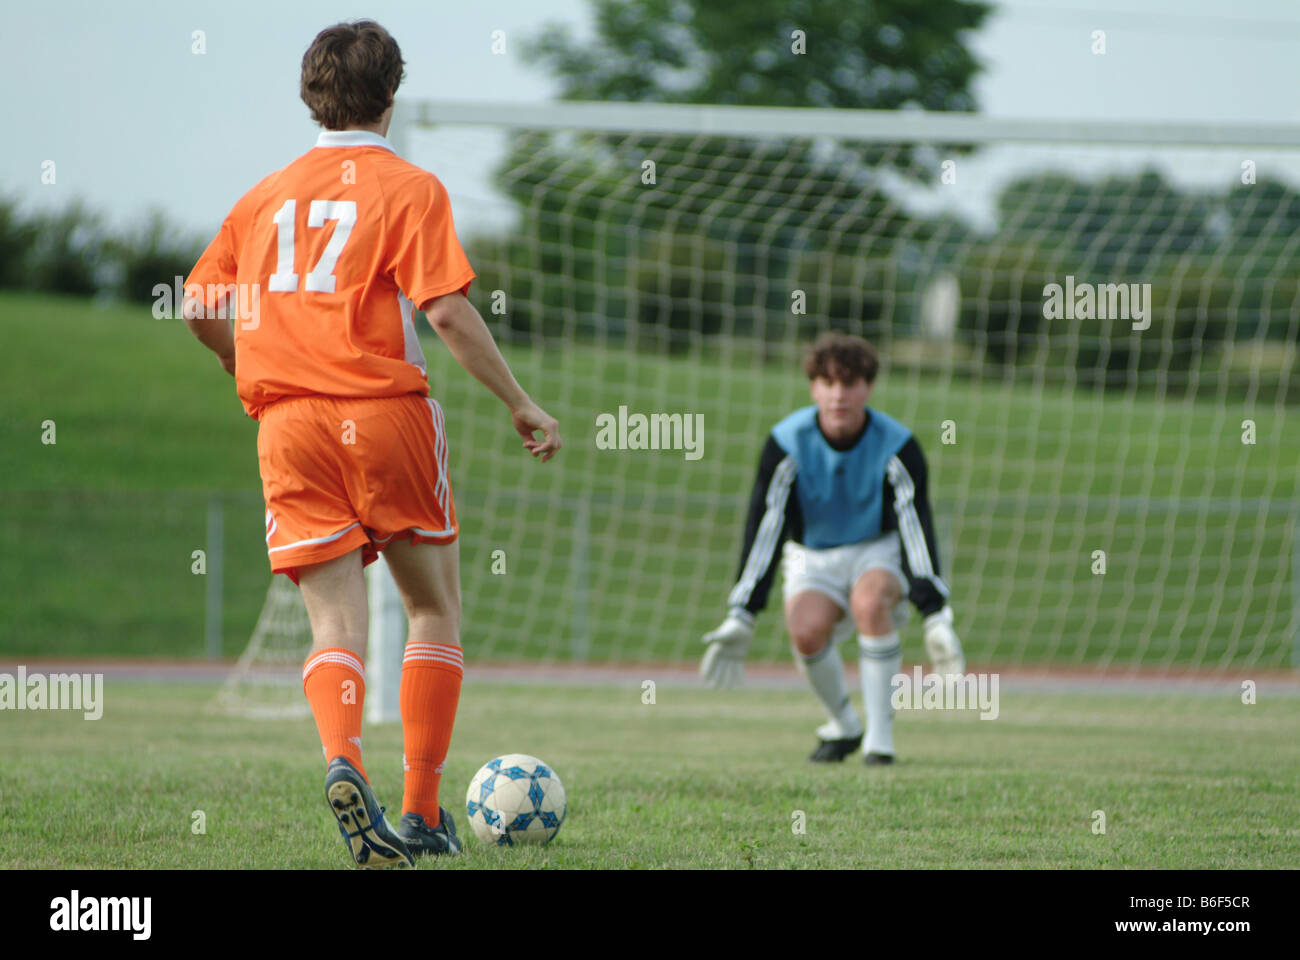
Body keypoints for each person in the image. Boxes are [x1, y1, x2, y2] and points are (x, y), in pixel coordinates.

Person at [182, 20, 560, 867]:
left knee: (333, 623)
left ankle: (343, 759)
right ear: (392, 94)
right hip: (383, 413)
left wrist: (250, 366)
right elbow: (449, 312)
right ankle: (422, 812)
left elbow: (198, 305)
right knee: (432, 605)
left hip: (288, 425)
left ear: (311, 96)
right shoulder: (409, 187)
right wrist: (521, 402)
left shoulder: (264, 195)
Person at [700, 332, 962, 764]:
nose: (838, 394)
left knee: (870, 602)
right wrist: (742, 611)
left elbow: (916, 528)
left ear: (868, 387)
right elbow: (766, 528)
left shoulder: (897, 447)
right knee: (805, 630)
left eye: (850, 382)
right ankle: (844, 724)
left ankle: (880, 742)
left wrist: (934, 613)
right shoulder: (787, 444)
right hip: (812, 556)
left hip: (876, 550)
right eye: (827, 382)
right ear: (813, 387)